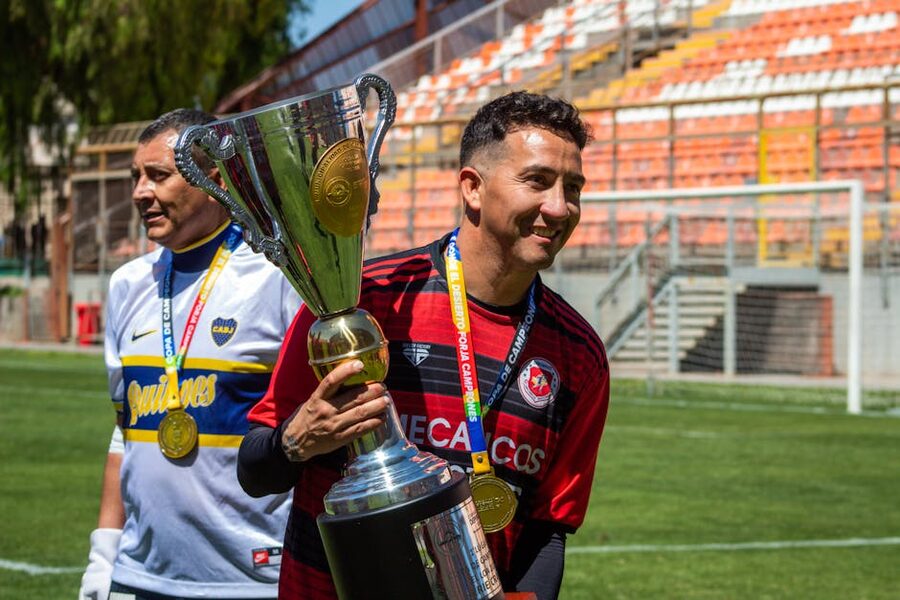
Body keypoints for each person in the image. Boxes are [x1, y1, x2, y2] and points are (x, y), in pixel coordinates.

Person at [238, 91, 610, 599]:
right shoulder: (361, 305)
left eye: (574, 188)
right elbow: (255, 469)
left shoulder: (578, 354)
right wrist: (297, 440)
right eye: (538, 181)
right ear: (473, 189)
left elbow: (548, 528)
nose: (560, 207)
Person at [79, 109, 301, 600]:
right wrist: (103, 557)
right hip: (139, 575)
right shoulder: (127, 285)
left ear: (212, 179)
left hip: (252, 580)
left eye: (158, 175)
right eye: (135, 176)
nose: (140, 192)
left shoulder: (278, 276)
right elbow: (125, 434)